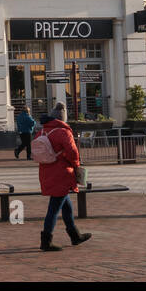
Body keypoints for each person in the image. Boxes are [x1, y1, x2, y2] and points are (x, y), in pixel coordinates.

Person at [37, 103, 92, 252]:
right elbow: (73, 152)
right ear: (62, 118)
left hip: (46, 171)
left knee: (66, 205)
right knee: (54, 209)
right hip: (62, 173)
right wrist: (76, 165)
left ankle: (75, 236)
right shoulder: (63, 132)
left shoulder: (42, 131)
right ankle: (46, 241)